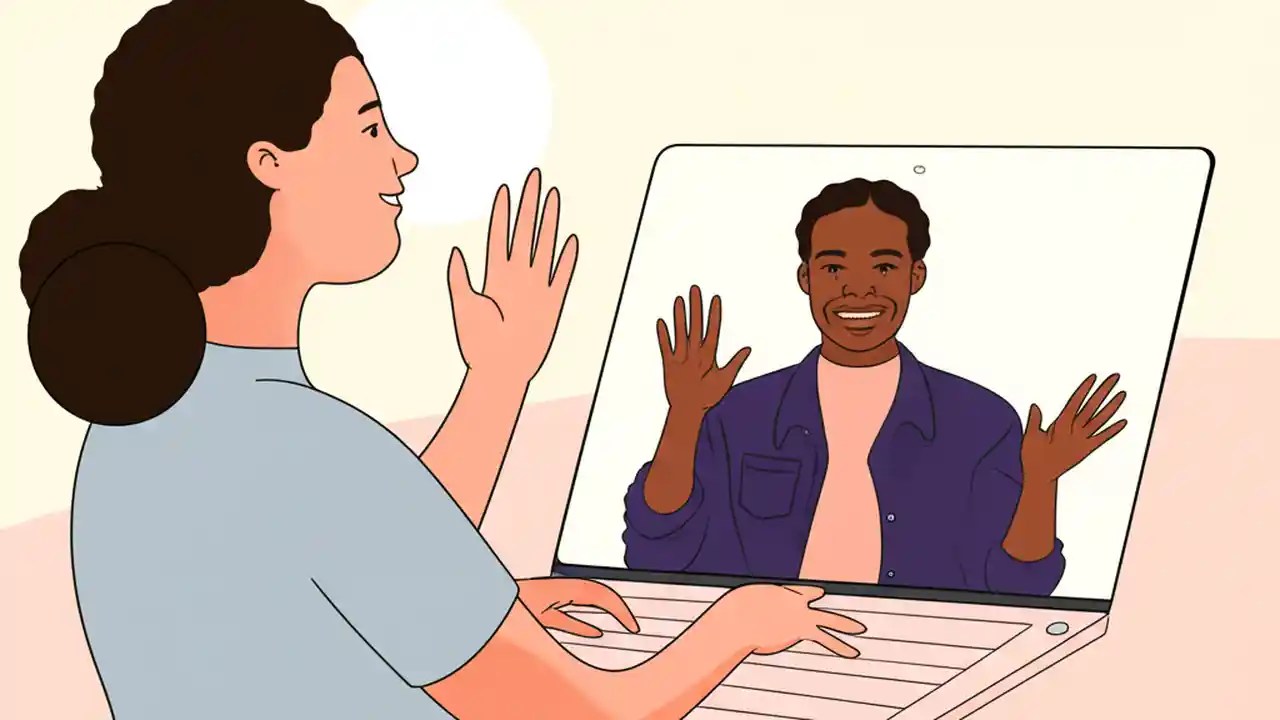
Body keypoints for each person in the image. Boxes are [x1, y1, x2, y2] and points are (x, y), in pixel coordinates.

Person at [17, 2, 868, 718]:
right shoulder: (301, 439)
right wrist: (738, 624)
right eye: (369, 126)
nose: (402, 160)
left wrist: (496, 386)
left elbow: (341, 542)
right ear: (269, 163)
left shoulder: (142, 423)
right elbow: (595, 715)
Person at [622, 178, 1129, 595]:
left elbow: (1017, 588)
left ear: (916, 275)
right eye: (834, 266)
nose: (858, 287)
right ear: (806, 277)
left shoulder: (981, 422)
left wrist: (1041, 482)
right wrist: (685, 415)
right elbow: (656, 550)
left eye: (883, 266)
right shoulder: (738, 413)